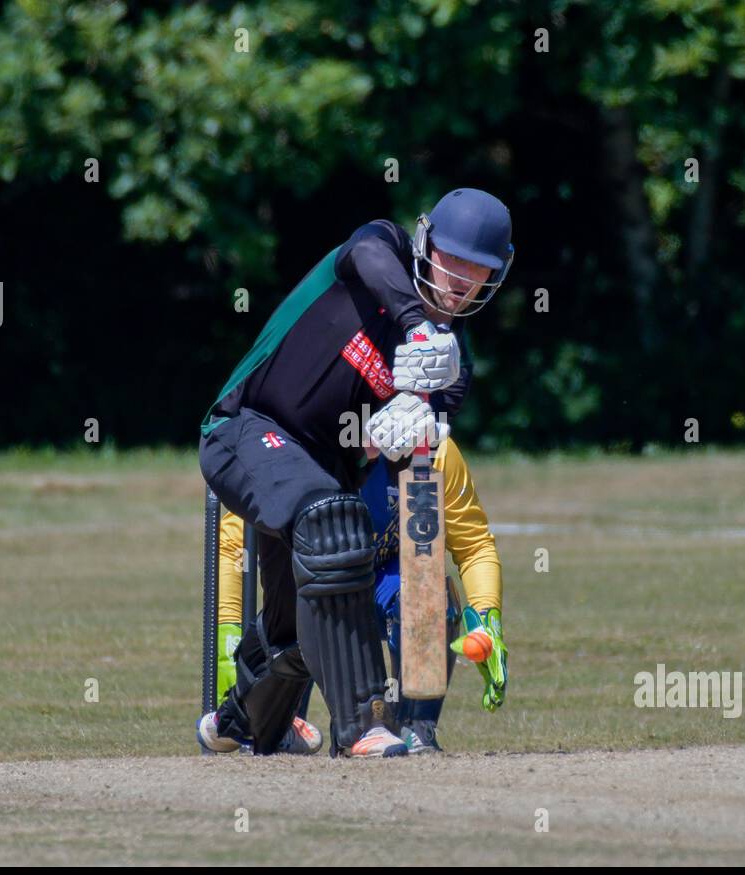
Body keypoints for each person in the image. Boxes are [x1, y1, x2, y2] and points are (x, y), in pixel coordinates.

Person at [197, 188, 513, 757]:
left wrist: (410, 416)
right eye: (453, 258)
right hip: (244, 427)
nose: (462, 278)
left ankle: (237, 720)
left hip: (319, 477)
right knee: (332, 518)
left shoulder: (452, 367)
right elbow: (365, 255)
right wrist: (420, 327)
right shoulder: (378, 248)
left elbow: (402, 458)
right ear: (424, 242)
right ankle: (365, 726)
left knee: (296, 625)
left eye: (479, 268)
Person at [204, 435, 508, 755]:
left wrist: (488, 619)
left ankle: (414, 729)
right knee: (273, 734)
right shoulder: (299, 444)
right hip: (310, 591)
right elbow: (236, 545)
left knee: (429, 593)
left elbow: (473, 544)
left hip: (382, 582)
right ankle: (274, 723)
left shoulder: (431, 452)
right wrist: (230, 638)